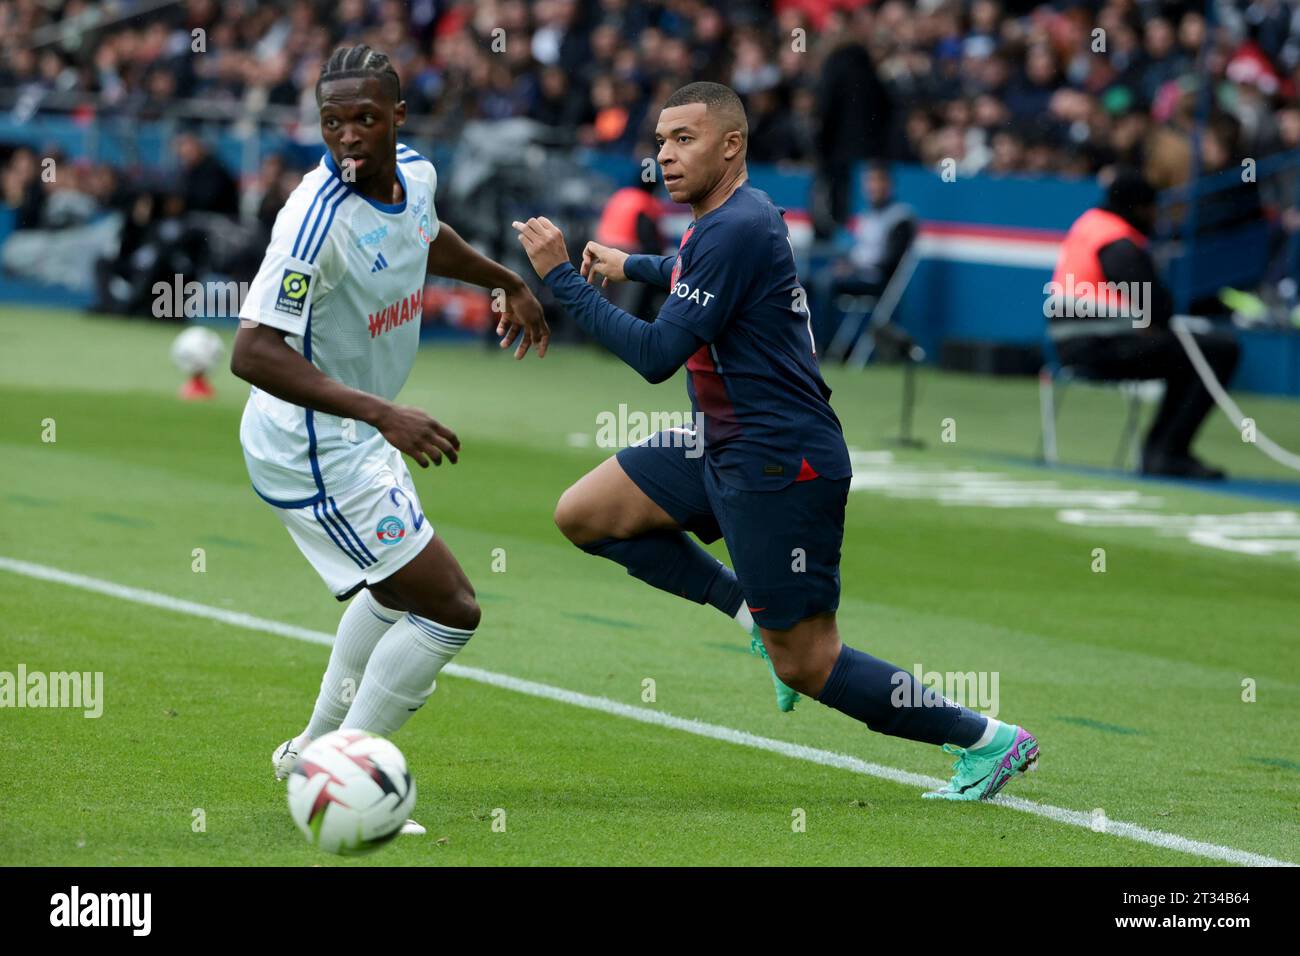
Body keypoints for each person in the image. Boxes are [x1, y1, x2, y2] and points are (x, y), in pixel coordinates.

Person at [512, 81, 1039, 802]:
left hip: (780, 459)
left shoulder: (733, 226)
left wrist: (563, 280)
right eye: (661, 141)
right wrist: (629, 265)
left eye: (684, 139)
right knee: (585, 513)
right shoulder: (731, 217)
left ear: (732, 144)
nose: (664, 154)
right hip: (722, 441)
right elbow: (697, 278)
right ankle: (746, 611)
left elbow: (659, 355)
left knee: (809, 662)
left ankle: (986, 739)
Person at [229, 45, 548, 833]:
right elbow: (252, 351)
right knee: (451, 608)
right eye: (332, 122)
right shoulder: (311, 219)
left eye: (365, 119)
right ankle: (344, 778)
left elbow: (423, 235)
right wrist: (382, 415)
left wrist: (504, 280)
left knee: (391, 591)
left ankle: (311, 752)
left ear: (398, 118)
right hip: (312, 445)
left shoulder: (416, 173)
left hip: (352, 434)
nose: (347, 137)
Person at [1049, 169, 1240, 479]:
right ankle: (1167, 452)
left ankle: (1162, 451)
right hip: (1102, 345)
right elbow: (1157, 305)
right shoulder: (1116, 240)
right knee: (1219, 351)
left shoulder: (1089, 226)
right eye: (1153, 209)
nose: (1156, 218)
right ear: (1139, 207)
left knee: (1191, 354)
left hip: (1076, 344)